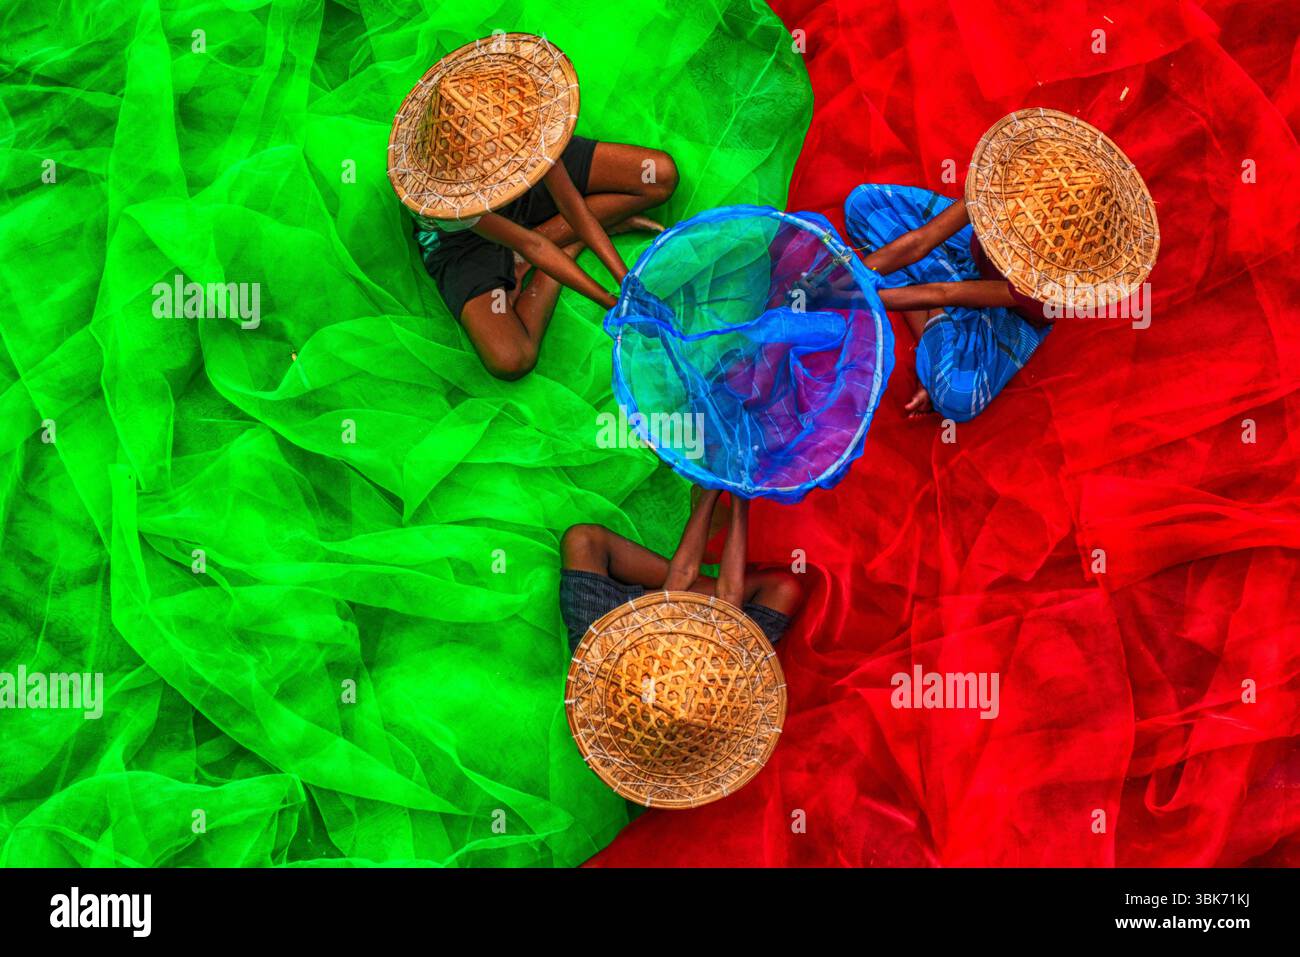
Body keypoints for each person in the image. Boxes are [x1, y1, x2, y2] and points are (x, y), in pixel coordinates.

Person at [387, 32, 678, 380]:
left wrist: (628, 282)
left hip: (529, 187)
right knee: (511, 359)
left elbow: (574, 208)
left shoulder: (527, 132)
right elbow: (533, 244)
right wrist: (613, 304)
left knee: (658, 175)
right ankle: (560, 251)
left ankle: (554, 246)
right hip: (471, 239)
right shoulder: (449, 194)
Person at [559, 488, 803, 652]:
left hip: (609, 628)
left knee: (581, 539)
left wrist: (713, 493)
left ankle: (675, 597)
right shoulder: (715, 679)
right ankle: (693, 598)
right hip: (699, 634)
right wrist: (738, 499)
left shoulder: (603, 652)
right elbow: (725, 599)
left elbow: (683, 578)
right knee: (783, 588)